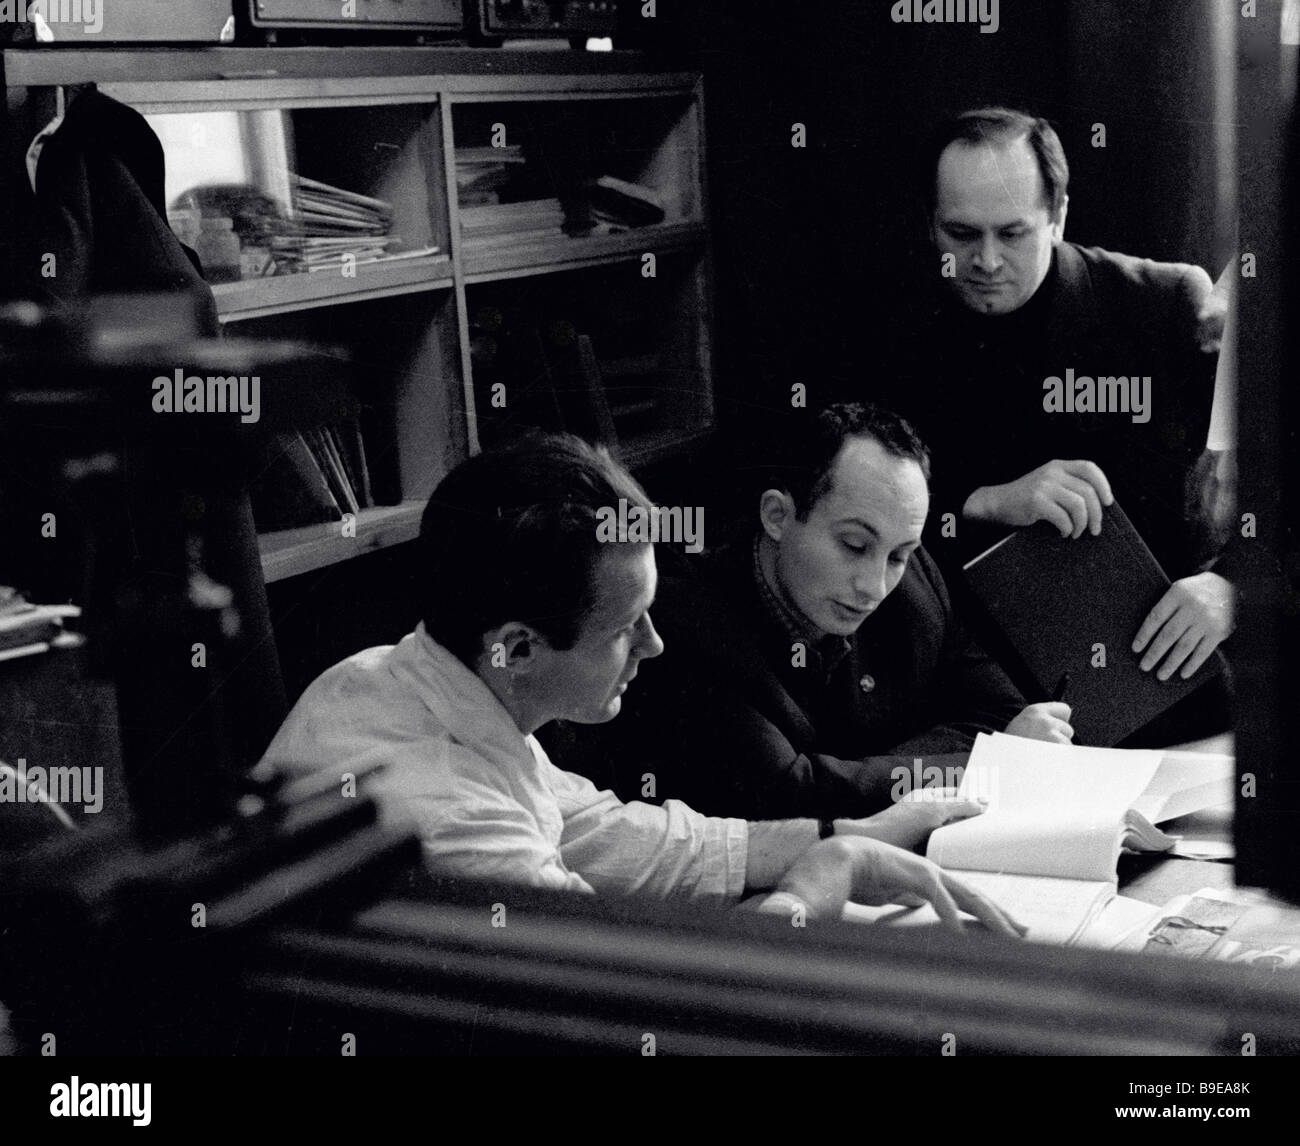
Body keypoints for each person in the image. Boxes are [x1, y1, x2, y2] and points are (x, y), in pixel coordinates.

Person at [256, 432, 1023, 934]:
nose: (654, 645)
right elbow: (665, 1014)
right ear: (518, 648)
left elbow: (613, 833)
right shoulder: (456, 823)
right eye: (627, 627)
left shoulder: (396, 679)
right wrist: (819, 884)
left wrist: (845, 836)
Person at [561, 402, 1069, 821]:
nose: (874, 587)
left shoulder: (912, 581)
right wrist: (984, 765)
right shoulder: (687, 624)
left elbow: (999, 709)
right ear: (778, 516)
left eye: (898, 553)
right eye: (853, 545)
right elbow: (790, 799)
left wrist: (854, 774)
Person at [884, 106, 1236, 694]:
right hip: (980, 690)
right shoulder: (894, 331)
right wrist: (986, 501)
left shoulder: (1166, 305)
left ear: (1059, 217)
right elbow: (854, 521)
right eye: (962, 234)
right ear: (931, 225)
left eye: (1014, 233)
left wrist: (1232, 587)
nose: (987, 262)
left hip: (1163, 680)